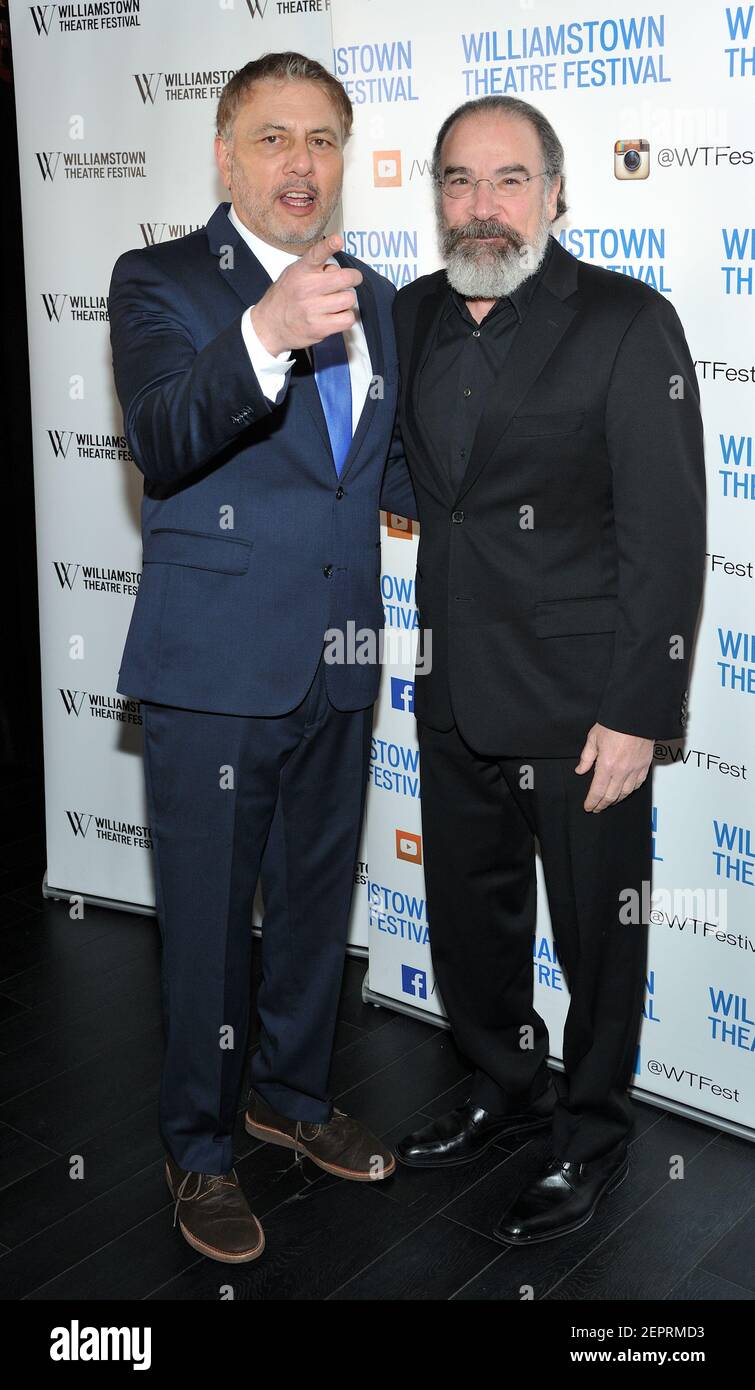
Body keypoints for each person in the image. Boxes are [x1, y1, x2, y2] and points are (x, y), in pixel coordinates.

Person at [108, 51, 415, 1264]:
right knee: (202, 926)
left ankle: (285, 1099)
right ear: (226, 157)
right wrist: (263, 332)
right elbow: (163, 437)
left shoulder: (378, 296)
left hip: (339, 657)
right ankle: (197, 1150)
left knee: (308, 909)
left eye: (322, 139)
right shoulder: (162, 280)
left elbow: (384, 476)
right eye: (273, 138)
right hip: (212, 671)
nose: (301, 162)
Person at [392, 94, 705, 1244]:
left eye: (508, 180)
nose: (482, 206)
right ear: (435, 196)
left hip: (583, 713)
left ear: (555, 193)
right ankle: (499, 1085)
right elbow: (417, 483)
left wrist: (637, 713)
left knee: (594, 937)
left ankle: (591, 1129)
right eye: (459, 181)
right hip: (453, 689)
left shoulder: (627, 321)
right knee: (469, 924)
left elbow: (667, 536)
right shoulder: (410, 313)